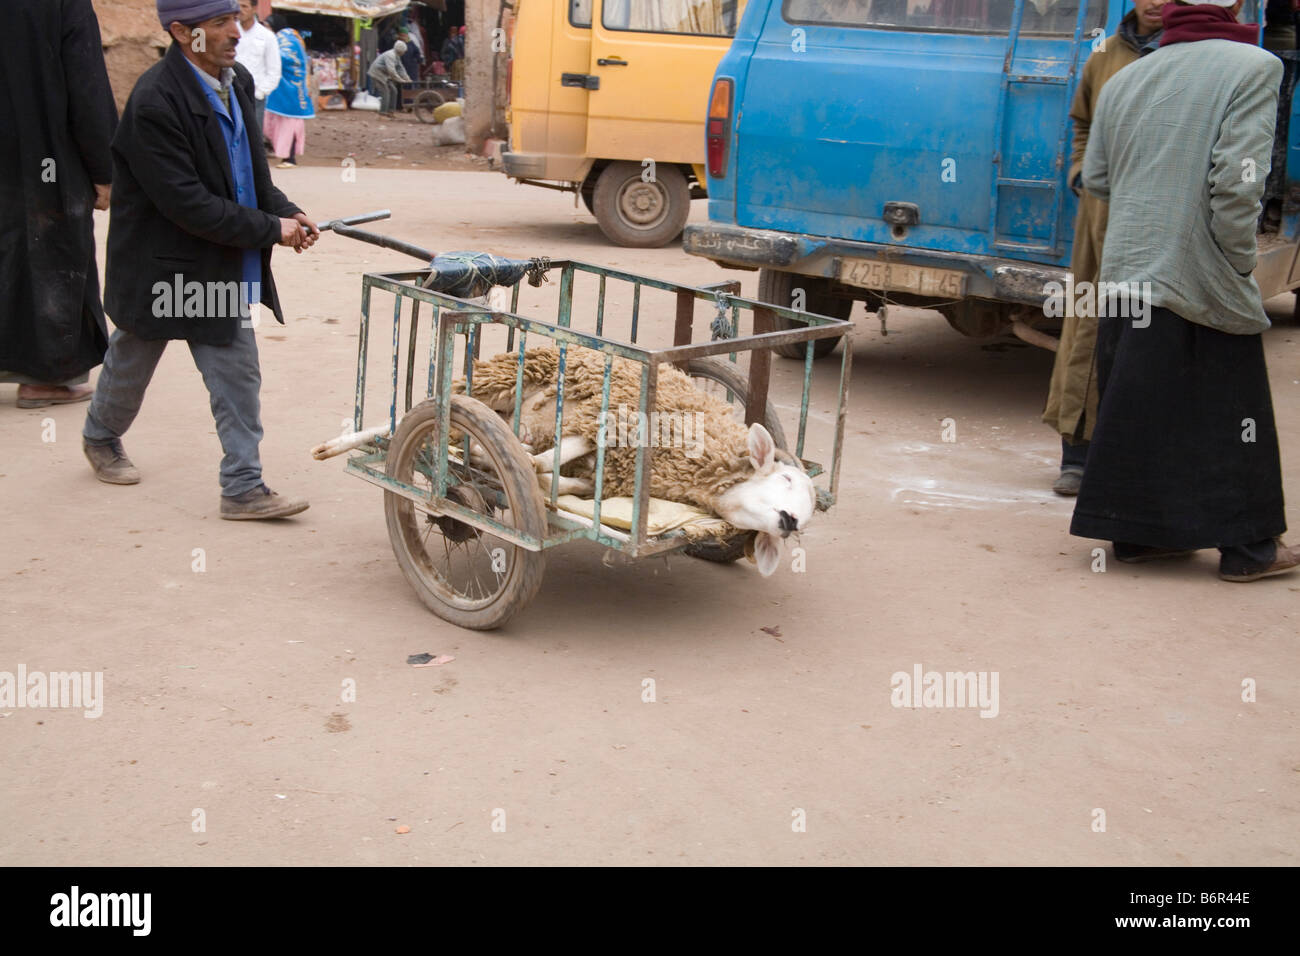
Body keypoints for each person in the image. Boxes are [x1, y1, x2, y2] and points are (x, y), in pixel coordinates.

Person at [1071, 0, 1298, 582]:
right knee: (1229, 411)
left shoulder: (1127, 75)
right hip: (1199, 268)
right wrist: (1238, 261)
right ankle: (1251, 550)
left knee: (1142, 403)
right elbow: (1238, 182)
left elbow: (1095, 178)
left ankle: (1139, 537)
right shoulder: (1254, 65)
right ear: (1236, 7)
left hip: (1127, 267)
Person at [82, 0, 319, 521]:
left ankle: (242, 486)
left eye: (235, 20)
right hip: (163, 270)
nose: (236, 32)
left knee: (237, 373)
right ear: (182, 33)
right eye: (219, 24)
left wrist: (286, 211)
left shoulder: (233, 83)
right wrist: (269, 229)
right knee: (131, 364)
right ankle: (101, 436)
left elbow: (251, 176)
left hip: (218, 267)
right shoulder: (154, 102)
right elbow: (187, 203)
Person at [1042, 0, 1166, 496]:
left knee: (1150, 326)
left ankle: (1135, 460)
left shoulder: (1190, 54)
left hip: (1161, 214)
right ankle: (1077, 454)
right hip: (1100, 213)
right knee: (1089, 324)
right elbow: (1083, 125)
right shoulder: (1105, 56)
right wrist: (1079, 173)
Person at [0, 0, 117, 408]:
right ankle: (44, 377)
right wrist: (104, 169)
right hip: (44, 159)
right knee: (51, 258)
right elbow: (86, 85)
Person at [263, 14, 314, 168]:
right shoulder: (282, 38)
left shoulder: (287, 39)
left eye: (267, 26)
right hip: (280, 90)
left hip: (292, 90)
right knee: (272, 122)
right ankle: (277, 151)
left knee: (288, 124)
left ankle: (290, 158)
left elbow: (286, 59)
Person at [234, 0, 280, 142]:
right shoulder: (231, 32)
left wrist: (260, 93)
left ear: (254, 8)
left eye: (244, 6)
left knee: (253, 139)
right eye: (238, 6)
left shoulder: (267, 36)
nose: (240, 10)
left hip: (254, 97)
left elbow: (274, 70)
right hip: (231, 92)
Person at [368, 40, 412, 115]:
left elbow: (400, 68)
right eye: (404, 51)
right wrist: (400, 80)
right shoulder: (390, 55)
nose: (404, 53)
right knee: (385, 92)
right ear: (400, 50)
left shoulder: (397, 56)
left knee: (394, 90)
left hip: (384, 75)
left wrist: (407, 78)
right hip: (377, 73)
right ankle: (383, 113)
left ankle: (390, 111)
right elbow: (391, 71)